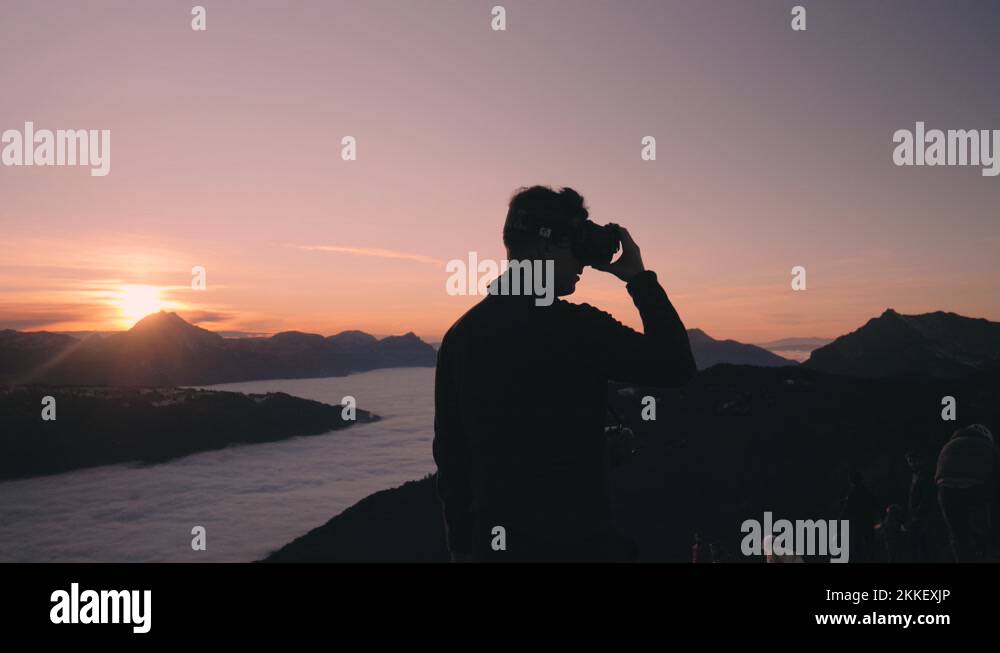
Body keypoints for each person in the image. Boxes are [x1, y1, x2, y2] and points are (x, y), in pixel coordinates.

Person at [433, 186, 696, 562]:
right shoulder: (577, 329)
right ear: (546, 248)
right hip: (575, 543)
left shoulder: (461, 336)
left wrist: (461, 547)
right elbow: (675, 366)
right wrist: (638, 278)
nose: (583, 265)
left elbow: (453, 456)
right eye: (577, 251)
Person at [935, 424, 1000, 562]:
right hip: (975, 489)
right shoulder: (987, 445)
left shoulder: (949, 444)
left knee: (957, 535)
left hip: (946, 490)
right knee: (986, 525)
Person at [841, 470, 881, 562]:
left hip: (858, 525)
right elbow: (875, 504)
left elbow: (846, 510)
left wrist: (840, 520)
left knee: (859, 549)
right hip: (868, 522)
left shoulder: (852, 494)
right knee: (870, 546)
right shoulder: (865, 490)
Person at [905, 449, 936, 561]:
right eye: (909, 461)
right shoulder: (916, 474)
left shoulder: (925, 473)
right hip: (917, 515)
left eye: (912, 461)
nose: (911, 464)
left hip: (924, 516)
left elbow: (928, 495)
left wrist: (918, 512)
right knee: (921, 547)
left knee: (926, 546)